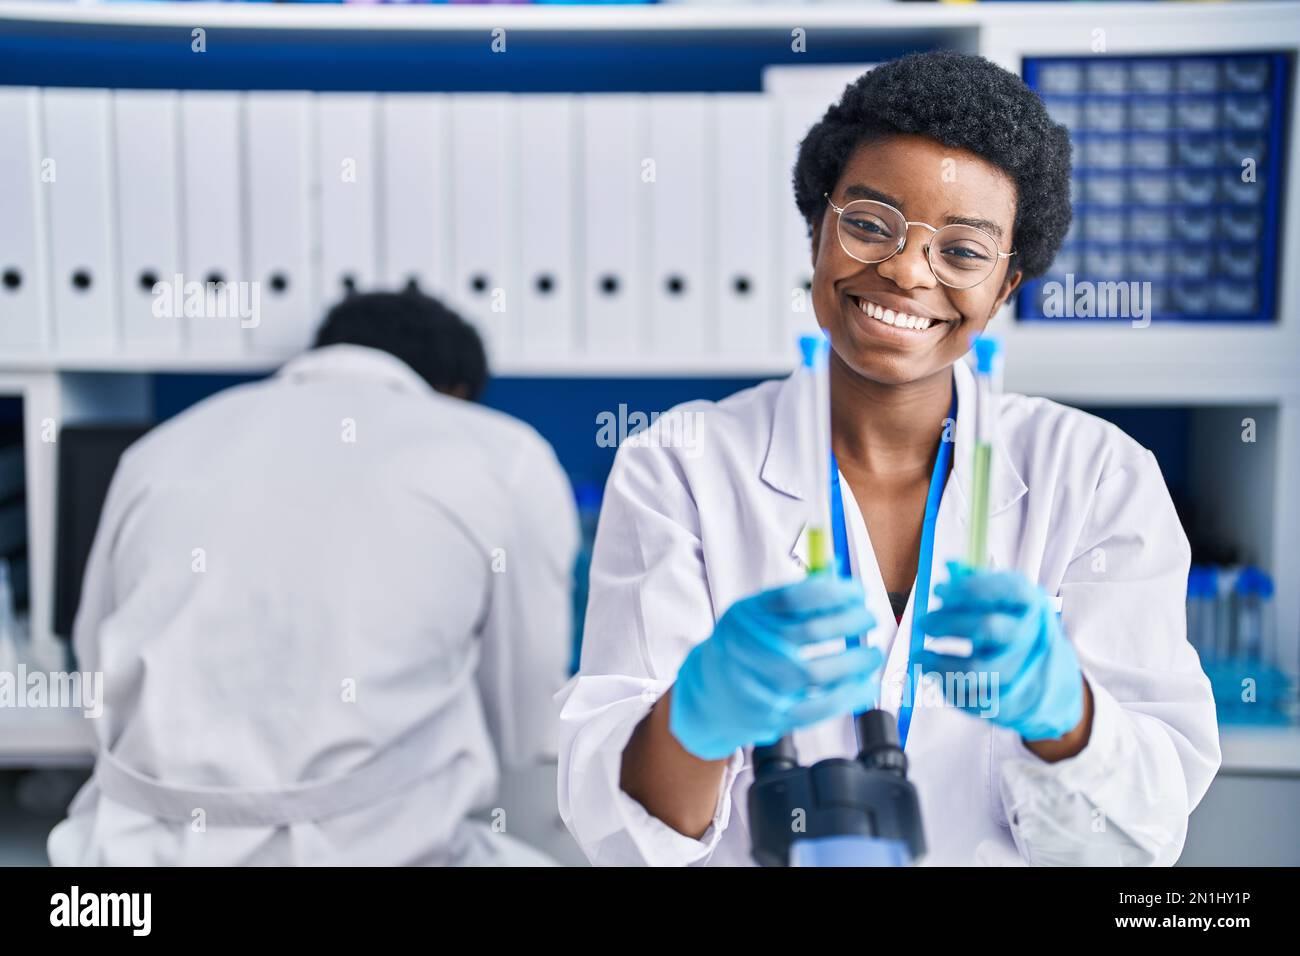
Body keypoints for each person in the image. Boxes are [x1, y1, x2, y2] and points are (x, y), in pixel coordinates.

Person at [557, 51, 1220, 866]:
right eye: (869, 224)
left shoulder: (1097, 478)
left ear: (1007, 286)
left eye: (964, 253)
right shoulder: (680, 467)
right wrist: (698, 716)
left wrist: (1066, 717)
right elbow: (619, 831)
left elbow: (1142, 835)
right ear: (817, 231)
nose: (906, 271)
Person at [49, 289, 578, 865]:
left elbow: (94, 663)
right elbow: (527, 726)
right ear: (456, 393)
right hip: (381, 853)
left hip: (128, 859)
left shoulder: (159, 447)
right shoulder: (502, 453)